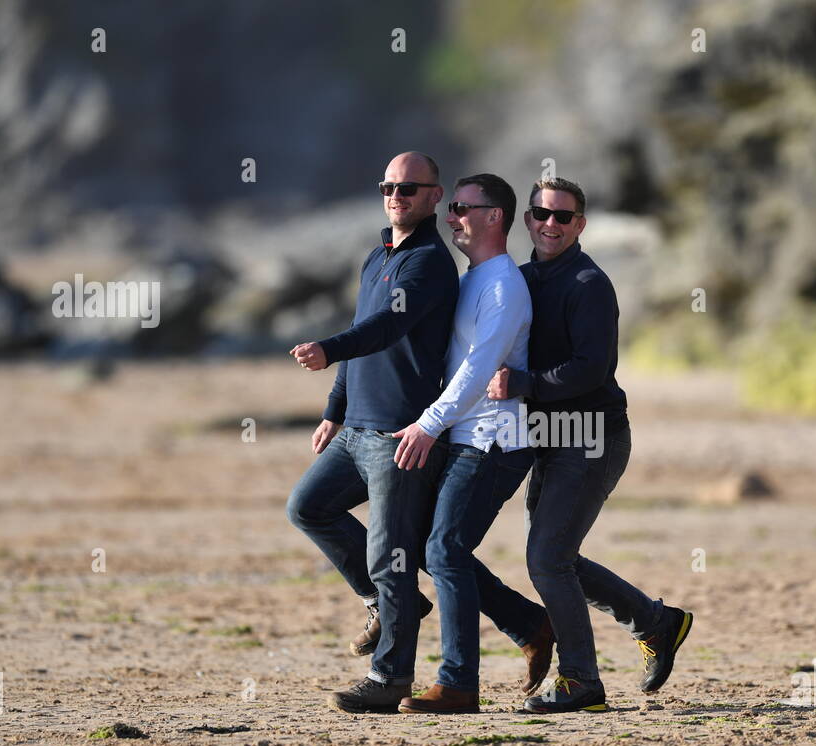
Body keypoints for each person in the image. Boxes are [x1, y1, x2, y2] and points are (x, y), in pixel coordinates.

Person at [483, 177, 694, 714]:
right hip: (546, 437)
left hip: (593, 434)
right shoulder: (522, 278)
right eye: (541, 215)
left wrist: (523, 384)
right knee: (556, 557)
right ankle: (655, 621)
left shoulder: (588, 282)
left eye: (563, 217)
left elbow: (590, 368)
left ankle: (581, 681)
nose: (550, 225)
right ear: (526, 221)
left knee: (547, 559)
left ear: (580, 225)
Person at [285, 151, 456, 714]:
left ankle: (390, 679)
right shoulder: (378, 255)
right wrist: (335, 406)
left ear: (434, 195)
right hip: (356, 428)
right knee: (308, 508)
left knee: (393, 557)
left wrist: (328, 347)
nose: (396, 195)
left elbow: (387, 328)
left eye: (409, 187)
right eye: (388, 185)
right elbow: (365, 337)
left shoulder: (429, 262)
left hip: (399, 432)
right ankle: (380, 603)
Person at [394, 173, 546, 715]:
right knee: (429, 545)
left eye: (461, 207)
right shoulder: (473, 279)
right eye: (451, 206)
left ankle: (458, 683)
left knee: (444, 549)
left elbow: (479, 370)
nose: (451, 215)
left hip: (495, 438)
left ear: (494, 217)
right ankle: (529, 624)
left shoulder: (503, 287)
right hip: (465, 434)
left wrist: (427, 424)